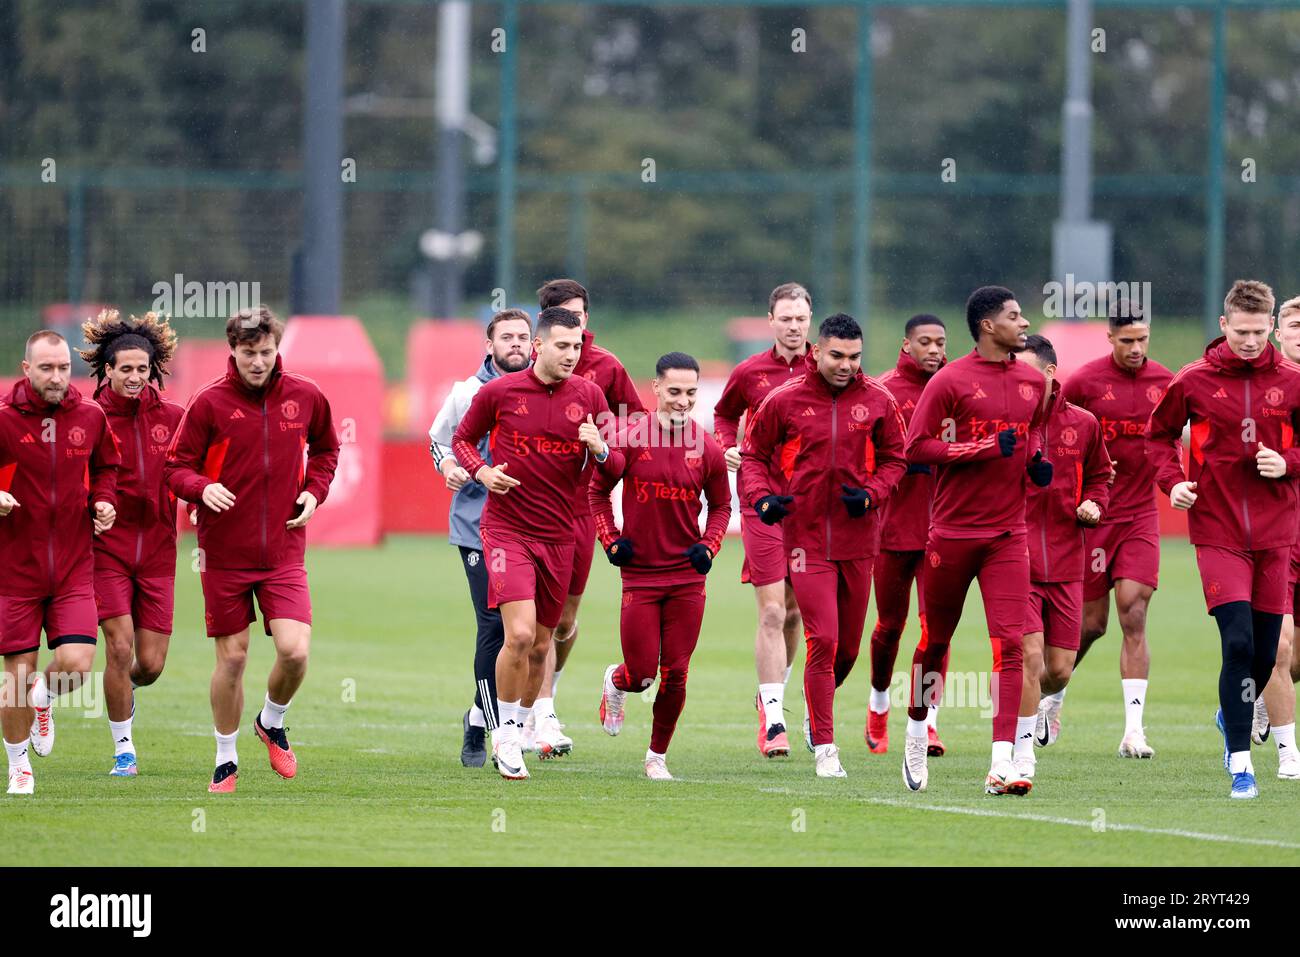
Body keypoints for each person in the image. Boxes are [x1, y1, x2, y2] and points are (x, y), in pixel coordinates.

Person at [165, 307, 340, 794]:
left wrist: (314, 491)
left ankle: (271, 719)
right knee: (234, 659)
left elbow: (327, 450)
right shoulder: (208, 403)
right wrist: (200, 489)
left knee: (296, 651)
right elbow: (175, 467)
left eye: (266, 352)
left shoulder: (305, 395)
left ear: (276, 348)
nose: (259, 362)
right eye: (249, 353)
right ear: (233, 352)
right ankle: (225, 757)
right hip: (224, 554)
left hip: (284, 550)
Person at [1146, 279, 1300, 800]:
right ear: (1223, 326)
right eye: (1242, 332)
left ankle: (1228, 711)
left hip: (1277, 533)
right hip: (1217, 531)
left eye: (1260, 331)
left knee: (1263, 657)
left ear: (1272, 327)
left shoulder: (1293, 381)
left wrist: (1289, 463)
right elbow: (1157, 436)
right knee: (1237, 643)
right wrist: (1174, 483)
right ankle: (1241, 766)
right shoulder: (1193, 380)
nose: (1251, 341)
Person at [742, 313, 907, 778]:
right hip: (805, 541)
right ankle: (825, 748)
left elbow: (898, 458)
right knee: (824, 640)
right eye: (837, 355)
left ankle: (815, 709)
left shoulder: (879, 400)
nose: (846, 365)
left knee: (848, 651)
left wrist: (873, 492)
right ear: (817, 352)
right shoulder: (785, 400)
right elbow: (753, 455)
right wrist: (763, 499)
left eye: (854, 357)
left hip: (859, 542)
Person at [901, 285, 1051, 795]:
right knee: (934, 641)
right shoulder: (948, 381)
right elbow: (916, 447)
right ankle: (917, 728)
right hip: (951, 533)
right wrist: (984, 448)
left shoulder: (1036, 382)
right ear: (989, 326)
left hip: (1009, 534)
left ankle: (1003, 762)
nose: (1024, 322)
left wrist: (1035, 463)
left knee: (1011, 645)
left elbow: (1031, 440)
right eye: (1015, 316)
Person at [451, 306, 612, 780]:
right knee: (518, 635)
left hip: (560, 536)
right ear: (539, 347)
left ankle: (519, 728)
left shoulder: (591, 396)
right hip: (505, 531)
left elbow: (616, 465)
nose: (571, 354)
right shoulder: (499, 392)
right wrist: (481, 471)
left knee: (542, 646)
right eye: (562, 345)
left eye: (577, 346)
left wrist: (600, 448)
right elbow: (462, 440)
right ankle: (503, 734)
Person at [591, 352, 731, 779]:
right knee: (642, 675)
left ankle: (656, 756)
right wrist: (611, 541)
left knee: (676, 673)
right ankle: (615, 682)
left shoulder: (707, 446)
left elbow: (723, 505)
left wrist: (709, 547)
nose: (683, 401)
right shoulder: (631, 437)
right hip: (640, 576)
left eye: (691, 392)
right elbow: (597, 492)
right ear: (655, 389)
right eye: (674, 391)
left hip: (687, 579)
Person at [527, 279, 645, 757]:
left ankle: (543, 686)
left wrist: (604, 443)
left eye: (577, 316)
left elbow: (634, 425)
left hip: (581, 510)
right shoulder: (532, 364)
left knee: (563, 621)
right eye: (561, 316)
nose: (572, 327)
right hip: (529, 511)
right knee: (533, 622)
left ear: (588, 319)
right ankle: (542, 713)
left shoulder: (606, 369)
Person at [0, 331, 120, 795]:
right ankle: (17, 765)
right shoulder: (6, 420)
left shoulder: (90, 416)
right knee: (17, 673)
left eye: (63, 367)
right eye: (46, 367)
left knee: (76, 662)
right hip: (15, 571)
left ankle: (43, 701)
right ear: (26, 368)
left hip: (73, 566)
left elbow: (108, 468)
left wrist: (104, 502)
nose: (56, 376)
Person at [1059, 301, 1179, 756]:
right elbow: (1057, 434)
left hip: (1140, 516)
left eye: (1142, 339)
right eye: (1126, 340)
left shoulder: (1166, 383)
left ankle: (1133, 730)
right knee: (1090, 624)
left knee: (1133, 610)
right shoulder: (1084, 382)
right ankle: (1054, 693)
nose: (1136, 348)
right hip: (1092, 516)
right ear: (1109, 338)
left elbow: (1176, 437)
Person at [81, 310, 185, 776]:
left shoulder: (176, 418)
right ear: (107, 369)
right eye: (125, 368)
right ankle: (124, 750)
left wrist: (199, 495)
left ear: (153, 369)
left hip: (160, 551)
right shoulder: (88, 418)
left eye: (142, 369)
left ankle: (126, 692)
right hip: (107, 550)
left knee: (149, 664)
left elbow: (196, 467)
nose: (135, 377)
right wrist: (90, 507)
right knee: (118, 650)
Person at [429, 308, 533, 767]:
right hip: (476, 526)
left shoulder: (546, 392)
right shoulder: (467, 392)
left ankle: (476, 715)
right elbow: (440, 440)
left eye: (522, 337)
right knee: (492, 624)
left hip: (532, 528)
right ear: (488, 345)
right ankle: (497, 733)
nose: (515, 344)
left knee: (525, 633)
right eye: (506, 337)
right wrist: (450, 467)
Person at [713, 282, 811, 758]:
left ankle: (772, 691)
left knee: (795, 612)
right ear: (770, 321)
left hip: (813, 507)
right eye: (785, 318)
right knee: (772, 610)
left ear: (810, 321)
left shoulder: (829, 368)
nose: (793, 326)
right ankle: (773, 720)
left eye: (800, 318)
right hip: (762, 501)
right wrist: (728, 445)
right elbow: (723, 414)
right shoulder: (750, 372)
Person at [1012, 335, 1110, 786]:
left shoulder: (1085, 424)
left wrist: (1093, 502)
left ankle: (1035, 704)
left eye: (1027, 371)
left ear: (1050, 372)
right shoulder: (1005, 424)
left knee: (1057, 670)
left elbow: (1101, 477)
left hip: (1069, 562)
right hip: (1016, 562)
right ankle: (1020, 751)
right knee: (1029, 659)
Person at [866, 313, 948, 756]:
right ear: (906, 344)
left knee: (936, 632)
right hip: (892, 527)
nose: (934, 350)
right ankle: (878, 702)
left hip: (945, 528)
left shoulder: (956, 388)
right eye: (925, 342)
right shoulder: (883, 392)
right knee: (889, 626)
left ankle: (927, 720)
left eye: (940, 342)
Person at [1254, 294, 1300, 779]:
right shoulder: (1259, 387)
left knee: (1293, 660)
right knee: (1278, 647)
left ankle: (1249, 699)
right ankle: (1290, 757)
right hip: (1272, 534)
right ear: (1277, 332)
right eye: (1294, 323)